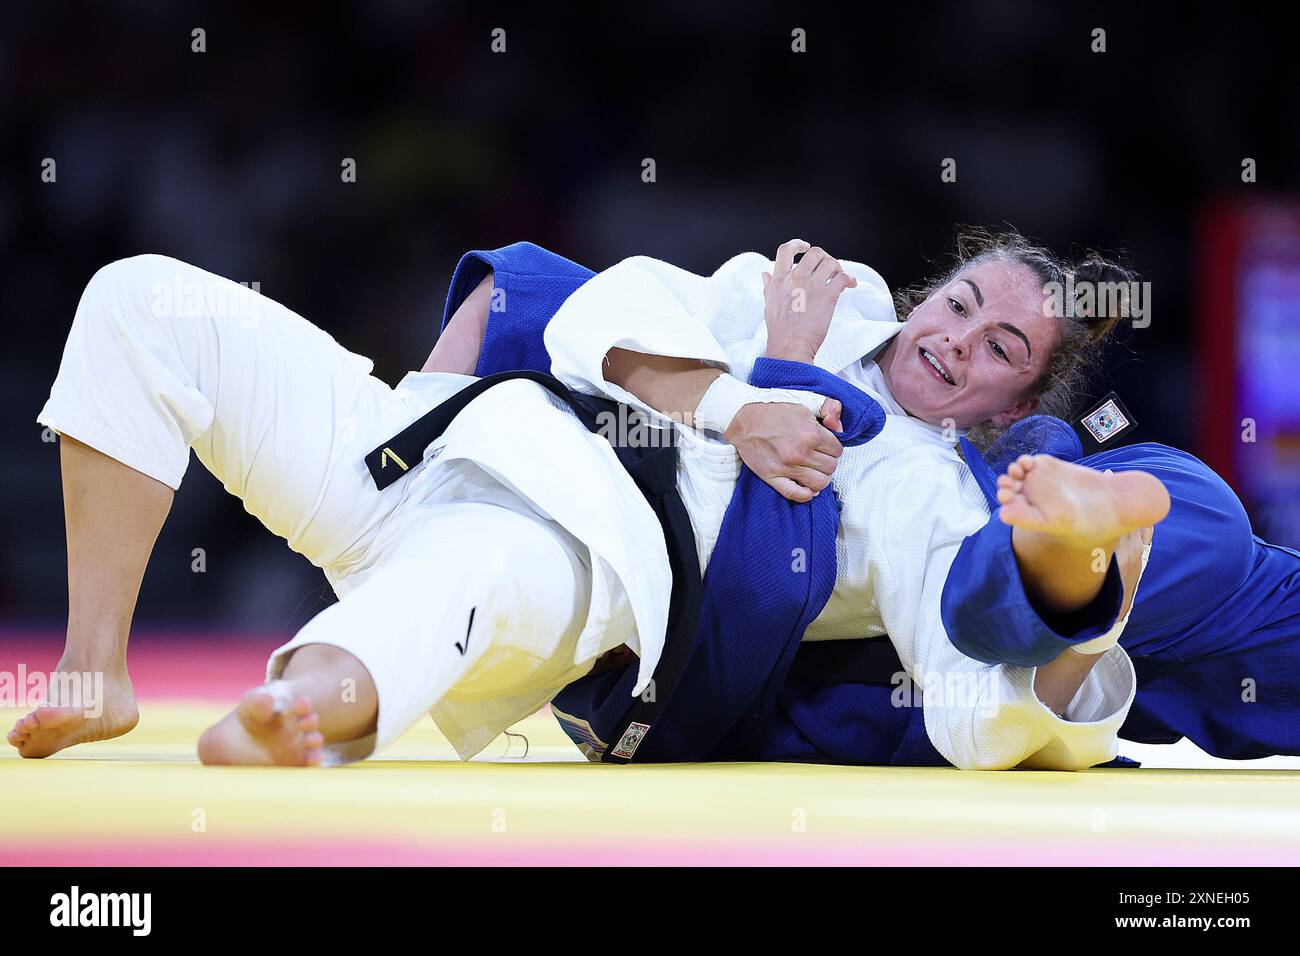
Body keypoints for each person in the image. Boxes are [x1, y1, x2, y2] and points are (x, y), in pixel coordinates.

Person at [10, 233, 1160, 770]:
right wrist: (748, 389)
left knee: (456, 580)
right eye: (958, 303)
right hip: (429, 439)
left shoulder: (925, 492)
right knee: (142, 299)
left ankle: (303, 706)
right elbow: (595, 309)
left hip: (587, 552)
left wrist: (1084, 611)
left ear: (1013, 407)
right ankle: (98, 662)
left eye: (999, 343)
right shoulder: (808, 298)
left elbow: (969, 703)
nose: (956, 340)